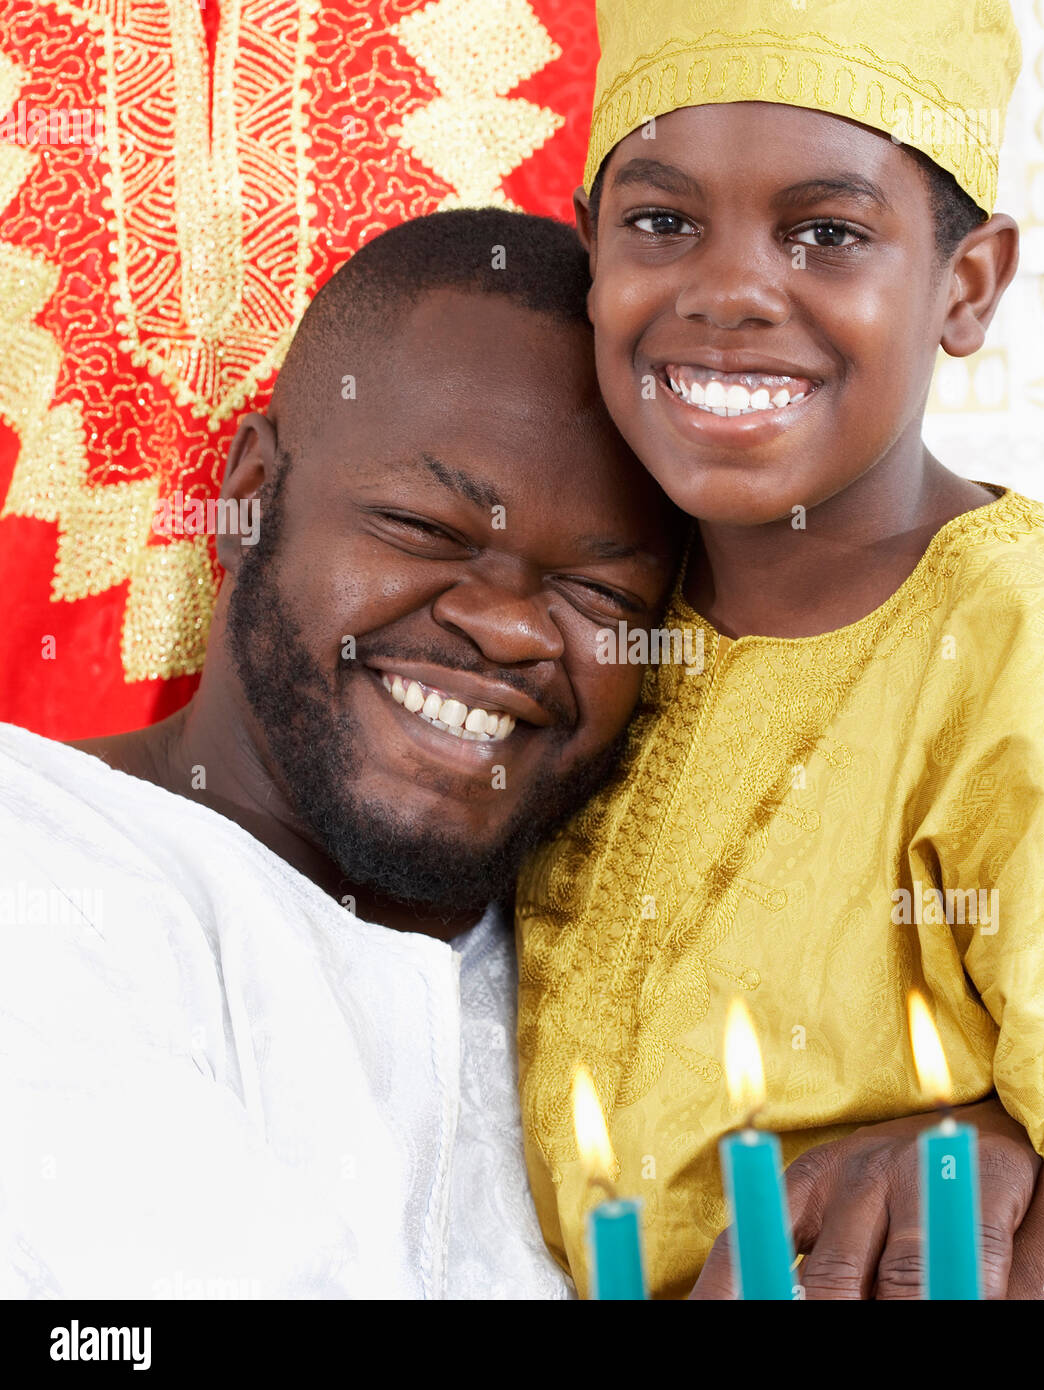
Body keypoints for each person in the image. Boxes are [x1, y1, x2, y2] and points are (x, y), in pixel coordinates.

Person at [513, 0, 1044, 1298]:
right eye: (662, 222)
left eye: (827, 231)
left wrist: (1025, 1190)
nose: (729, 291)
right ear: (589, 251)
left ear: (968, 284)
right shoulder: (583, 628)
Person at [0, 209, 682, 1298]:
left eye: (601, 593)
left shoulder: (625, 960)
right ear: (248, 497)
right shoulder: (36, 863)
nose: (510, 628)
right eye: (426, 530)